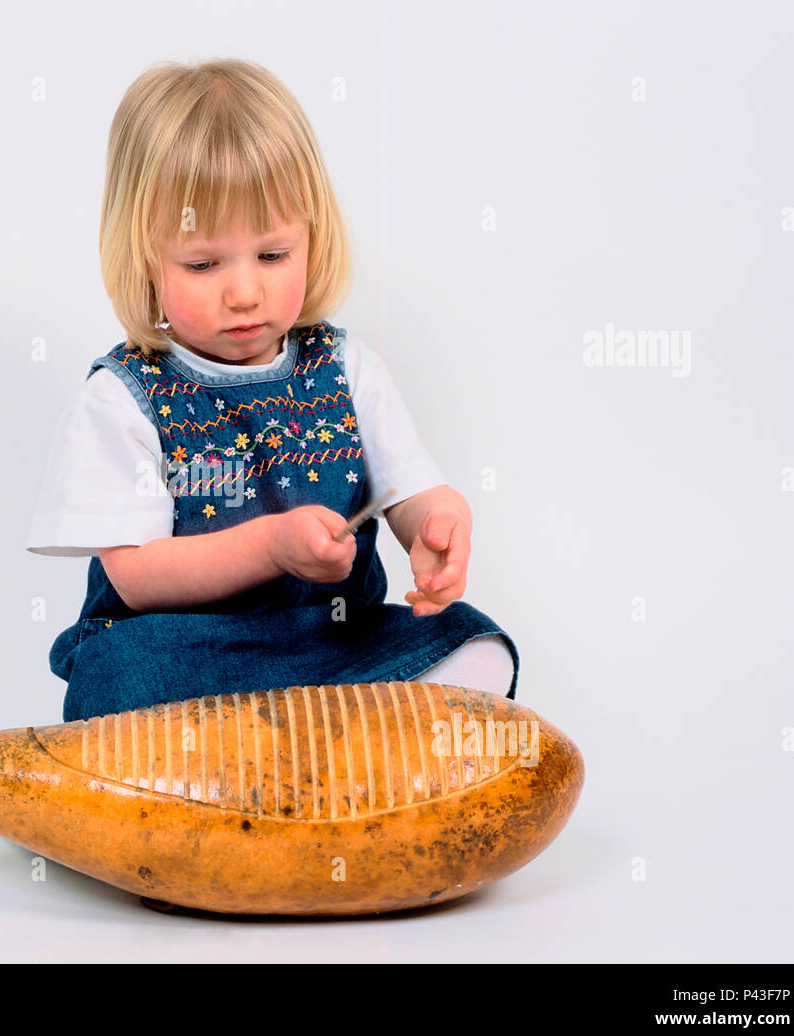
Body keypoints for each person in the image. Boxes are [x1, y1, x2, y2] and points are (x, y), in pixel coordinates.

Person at [26, 58, 518, 723]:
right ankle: (311, 737)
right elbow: (135, 576)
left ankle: (310, 737)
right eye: (203, 264)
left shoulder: (347, 370)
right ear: (146, 259)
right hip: (190, 655)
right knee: (117, 672)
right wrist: (271, 547)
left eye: (273, 254)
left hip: (327, 641)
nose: (244, 291)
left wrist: (438, 521)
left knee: (477, 641)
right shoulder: (125, 395)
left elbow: (406, 488)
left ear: (312, 237)